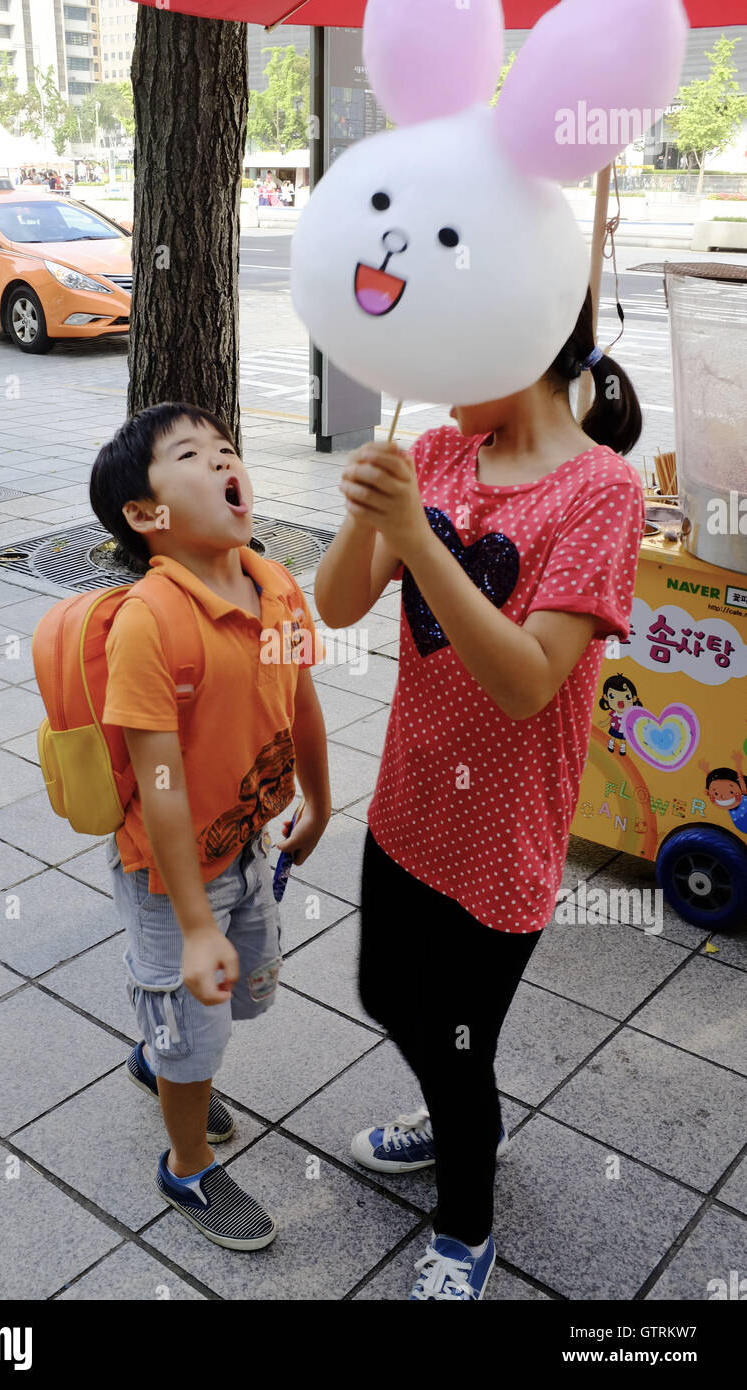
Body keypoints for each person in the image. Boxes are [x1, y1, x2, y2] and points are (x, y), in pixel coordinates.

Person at [315, 287, 645, 1301]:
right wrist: (367, 516)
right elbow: (333, 604)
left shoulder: (600, 492)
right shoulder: (436, 460)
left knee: (460, 1042)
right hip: (408, 798)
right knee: (384, 991)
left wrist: (417, 539)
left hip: (503, 829)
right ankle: (470, 1123)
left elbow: (524, 682)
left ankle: (464, 1228)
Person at [89, 402, 331, 1251]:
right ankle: (185, 1165)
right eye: (192, 454)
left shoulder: (273, 584)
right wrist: (193, 924)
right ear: (147, 515)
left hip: (247, 844)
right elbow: (158, 781)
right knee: (194, 1023)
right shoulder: (150, 621)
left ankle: (159, 1057)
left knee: (249, 989)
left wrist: (322, 799)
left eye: (228, 447)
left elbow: (299, 698)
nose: (225, 459)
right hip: (167, 874)